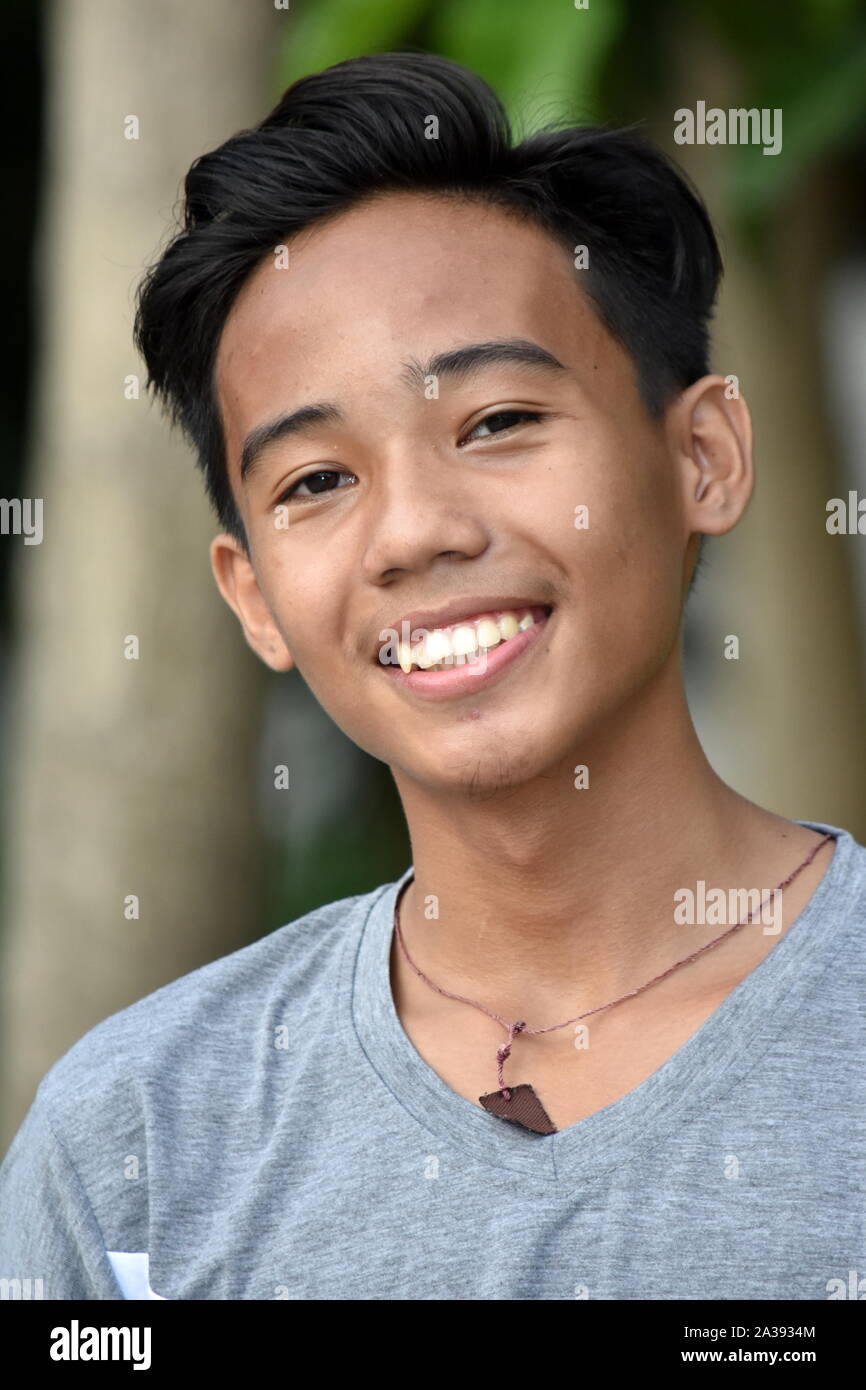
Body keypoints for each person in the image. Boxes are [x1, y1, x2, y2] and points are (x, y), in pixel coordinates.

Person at [1, 51, 863, 1302]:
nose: (414, 533)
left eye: (496, 422)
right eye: (316, 482)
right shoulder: (130, 1146)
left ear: (702, 457)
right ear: (254, 599)